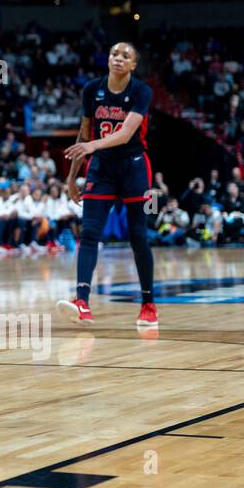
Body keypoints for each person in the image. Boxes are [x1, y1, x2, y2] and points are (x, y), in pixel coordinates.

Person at [57, 42, 159, 329]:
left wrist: (91, 146)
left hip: (133, 166)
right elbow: (84, 133)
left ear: (133, 65)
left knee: (138, 235)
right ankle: (82, 302)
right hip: (101, 168)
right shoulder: (92, 89)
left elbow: (127, 133)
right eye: (114, 53)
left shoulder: (141, 91)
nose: (118, 58)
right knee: (89, 233)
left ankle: (148, 304)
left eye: (125, 55)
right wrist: (72, 176)